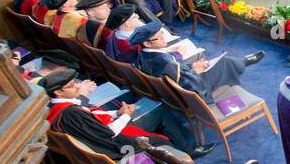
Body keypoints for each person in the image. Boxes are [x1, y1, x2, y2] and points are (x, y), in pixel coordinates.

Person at [38, 67, 212, 158]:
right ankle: (187, 152)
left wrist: (116, 113)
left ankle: (183, 148)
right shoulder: (70, 113)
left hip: (104, 132)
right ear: (58, 93)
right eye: (71, 86)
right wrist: (125, 116)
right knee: (160, 117)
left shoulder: (56, 109)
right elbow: (109, 133)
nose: (77, 87)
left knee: (153, 110)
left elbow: (92, 119)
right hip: (117, 146)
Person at [133, 21, 263, 103]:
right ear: (147, 43)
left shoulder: (142, 57)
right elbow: (188, 84)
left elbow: (177, 72)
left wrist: (192, 66)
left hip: (173, 93)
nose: (163, 37)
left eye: (162, 33)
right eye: (159, 37)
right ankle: (243, 62)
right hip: (193, 92)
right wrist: (195, 71)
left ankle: (241, 62)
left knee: (211, 62)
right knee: (223, 62)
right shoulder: (164, 61)